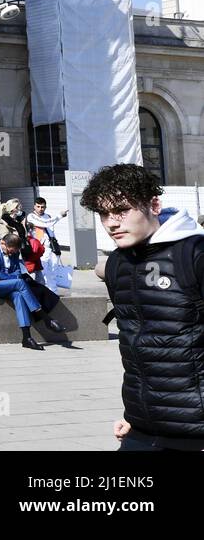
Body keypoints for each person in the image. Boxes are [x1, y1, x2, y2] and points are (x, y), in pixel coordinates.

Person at [81, 164, 204, 452]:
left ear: (154, 205)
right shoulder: (117, 265)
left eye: (122, 210)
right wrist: (132, 414)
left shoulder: (194, 254)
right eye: (104, 213)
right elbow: (137, 347)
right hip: (142, 427)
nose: (112, 223)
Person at [0, 231, 63, 349]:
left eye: (14, 252)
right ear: (3, 243)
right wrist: (9, 278)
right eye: (10, 251)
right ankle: (46, 318)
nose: (12, 254)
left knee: (19, 295)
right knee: (20, 283)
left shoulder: (14, 250)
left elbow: (17, 272)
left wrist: (3, 278)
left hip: (5, 283)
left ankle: (27, 338)